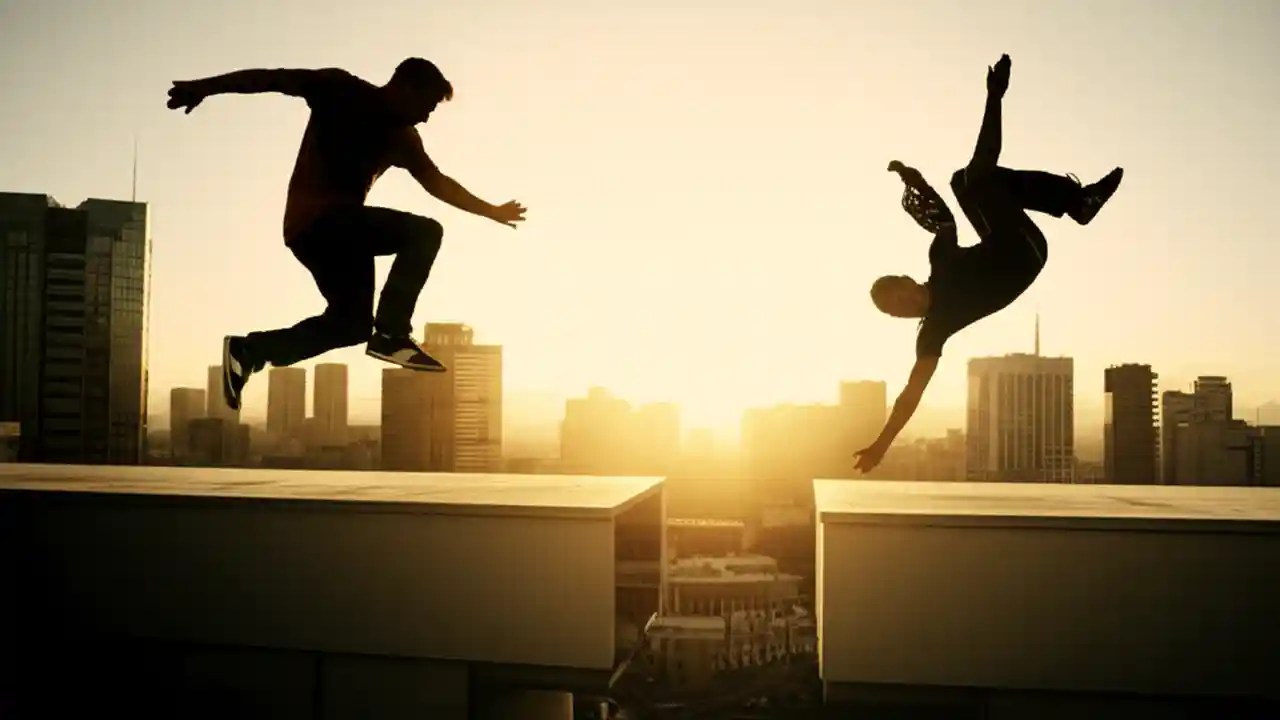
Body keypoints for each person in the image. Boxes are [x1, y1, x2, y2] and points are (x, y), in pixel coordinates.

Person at [166, 58, 527, 411]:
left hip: (337, 237)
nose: (426, 116)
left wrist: (491, 211)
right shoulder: (339, 89)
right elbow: (271, 78)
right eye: (426, 105)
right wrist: (205, 87)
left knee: (350, 326)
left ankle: (249, 352)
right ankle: (391, 333)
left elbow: (438, 183)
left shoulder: (404, 139)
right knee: (424, 232)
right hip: (320, 222)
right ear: (404, 86)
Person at [854, 53, 1124, 473]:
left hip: (1014, 241)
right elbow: (912, 392)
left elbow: (940, 212)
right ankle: (1076, 202)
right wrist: (881, 444)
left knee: (965, 180)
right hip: (1023, 258)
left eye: (897, 296)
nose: (902, 306)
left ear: (907, 280)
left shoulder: (940, 259)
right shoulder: (934, 329)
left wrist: (914, 179)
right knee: (977, 180)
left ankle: (1078, 203)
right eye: (894, 310)